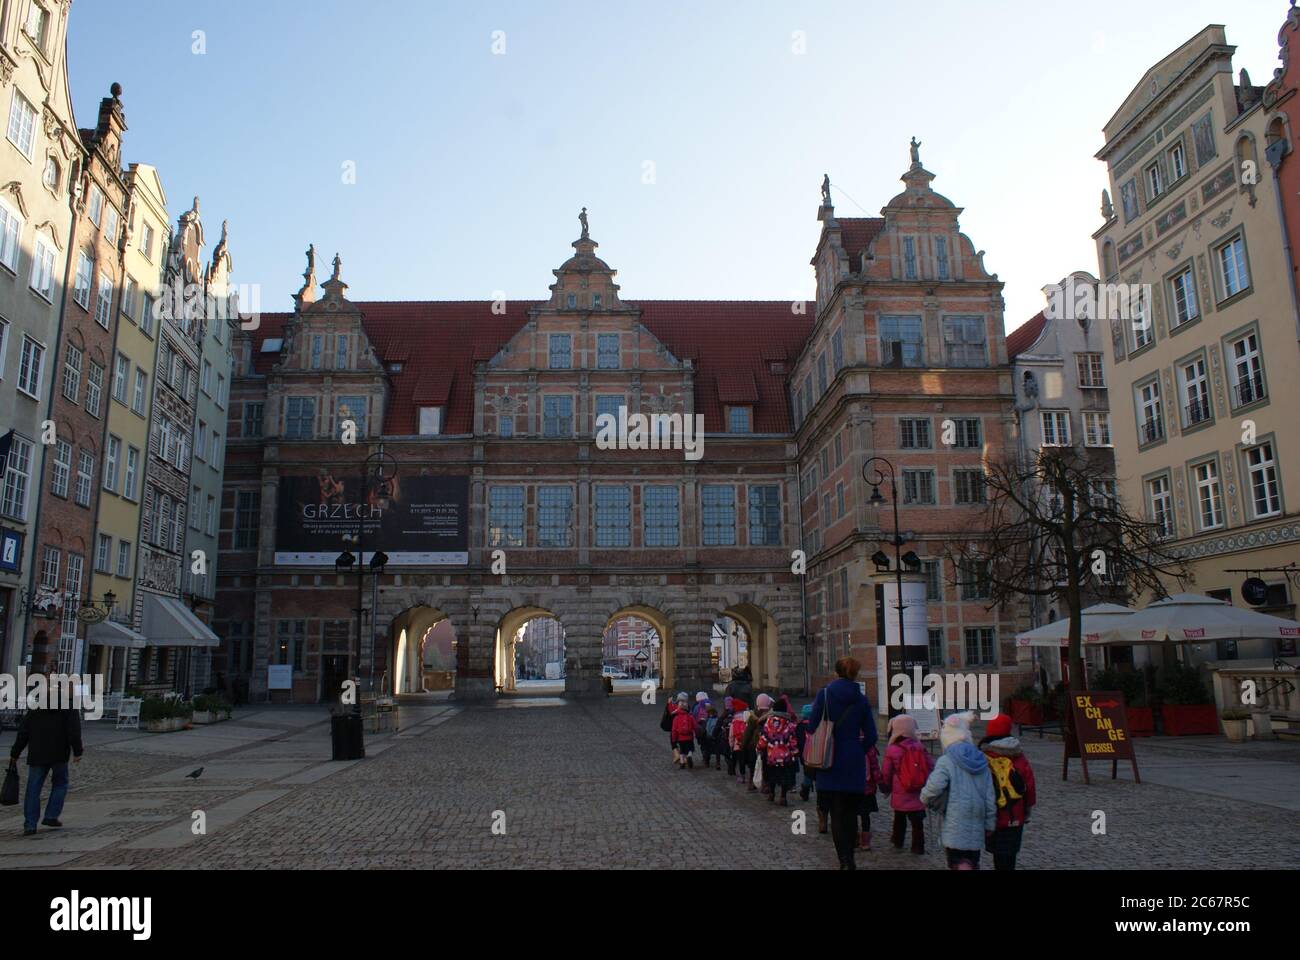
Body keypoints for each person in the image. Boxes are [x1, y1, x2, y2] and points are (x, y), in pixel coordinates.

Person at [806, 657, 877, 870]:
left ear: (836, 672)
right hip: (853, 761)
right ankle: (851, 858)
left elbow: (811, 727)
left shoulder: (825, 694)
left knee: (836, 812)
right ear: (855, 673)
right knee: (851, 811)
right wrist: (857, 750)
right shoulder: (861, 698)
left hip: (828, 759)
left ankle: (844, 861)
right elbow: (872, 736)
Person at [920, 712, 997, 870]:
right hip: (977, 818)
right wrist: (990, 824)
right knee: (972, 861)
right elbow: (990, 796)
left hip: (955, 819)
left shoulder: (947, 760)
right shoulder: (981, 760)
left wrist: (925, 798)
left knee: (956, 861)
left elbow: (933, 788)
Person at [9, 701, 84, 836]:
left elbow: (24, 730)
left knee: (33, 788)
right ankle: (51, 815)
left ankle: (30, 824)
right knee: (60, 784)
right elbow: (74, 730)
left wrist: (15, 752)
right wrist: (77, 751)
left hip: (37, 752)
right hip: (59, 752)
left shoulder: (36, 705)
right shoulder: (69, 705)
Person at [978, 713, 1037, 871]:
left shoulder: (984, 755)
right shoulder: (1018, 755)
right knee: (1010, 854)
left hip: (993, 814)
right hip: (1015, 813)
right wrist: (1028, 809)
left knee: (998, 852)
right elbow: (1029, 785)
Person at [878, 714, 934, 855]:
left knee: (899, 816)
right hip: (918, 790)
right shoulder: (920, 747)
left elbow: (886, 771)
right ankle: (918, 846)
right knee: (917, 821)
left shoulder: (892, 749)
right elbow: (930, 766)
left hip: (900, 789)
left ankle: (898, 840)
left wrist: (885, 785)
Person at [758, 694, 800, 805]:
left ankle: (772, 794)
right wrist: (795, 752)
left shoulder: (768, 722)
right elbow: (792, 740)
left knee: (772, 775)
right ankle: (783, 797)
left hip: (771, 755)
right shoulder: (789, 724)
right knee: (784, 777)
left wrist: (760, 747)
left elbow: (764, 737)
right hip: (785, 757)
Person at [741, 693, 771, 793]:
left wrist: (743, 745)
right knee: (766, 765)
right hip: (767, 745)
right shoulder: (771, 715)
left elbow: (748, 732)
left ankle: (752, 782)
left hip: (754, 745)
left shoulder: (753, 717)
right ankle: (766, 784)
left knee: (753, 764)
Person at [860, 740, 882, 850]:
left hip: (850, 787)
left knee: (851, 813)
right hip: (867, 787)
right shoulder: (869, 746)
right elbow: (874, 767)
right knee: (865, 815)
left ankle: (854, 839)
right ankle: (865, 841)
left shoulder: (846, 742)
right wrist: (878, 781)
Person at [671, 694, 698, 769]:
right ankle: (689, 755)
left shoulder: (676, 718)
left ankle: (682, 763)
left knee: (682, 751)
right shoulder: (690, 716)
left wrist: (674, 739)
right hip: (689, 736)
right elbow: (695, 726)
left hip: (680, 737)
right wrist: (696, 733)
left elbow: (674, 730)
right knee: (690, 749)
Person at [728, 698, 750, 781]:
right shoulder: (747, 720)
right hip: (746, 744)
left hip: (737, 746)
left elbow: (731, 735)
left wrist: (731, 745)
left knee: (741, 762)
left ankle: (742, 776)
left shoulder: (734, 722)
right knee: (746, 760)